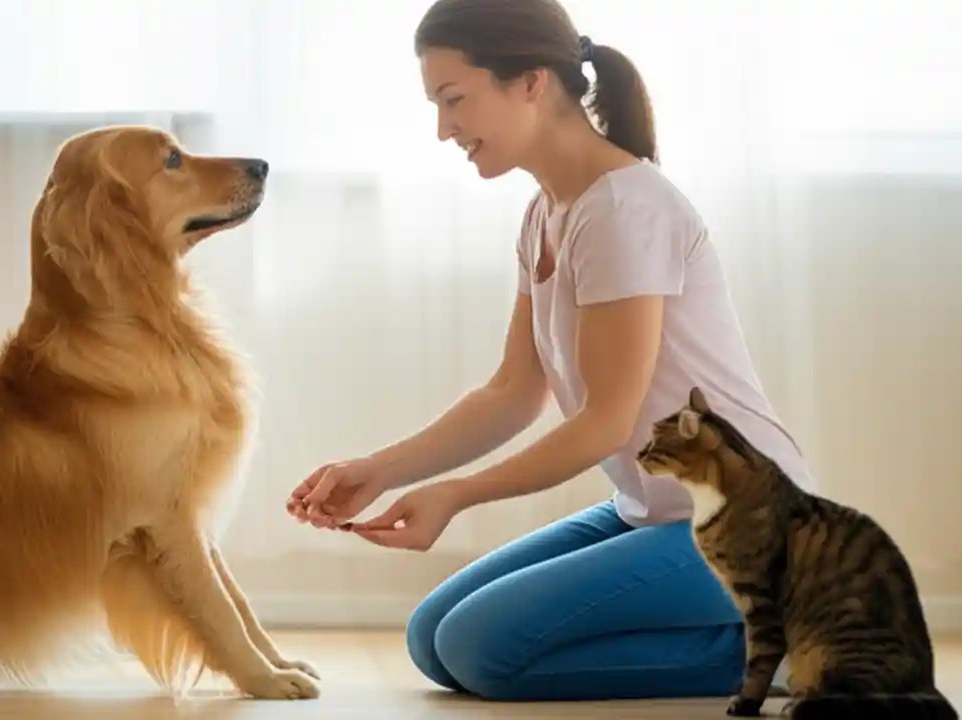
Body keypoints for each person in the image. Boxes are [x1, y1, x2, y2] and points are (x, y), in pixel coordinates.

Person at [284, 0, 813, 704]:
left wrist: (457, 495)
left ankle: (791, 647)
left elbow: (606, 423)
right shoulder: (547, 212)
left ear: (532, 82)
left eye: (454, 99)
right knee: (434, 638)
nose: (443, 129)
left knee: (479, 650)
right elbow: (511, 393)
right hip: (654, 510)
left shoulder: (624, 210)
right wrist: (378, 470)